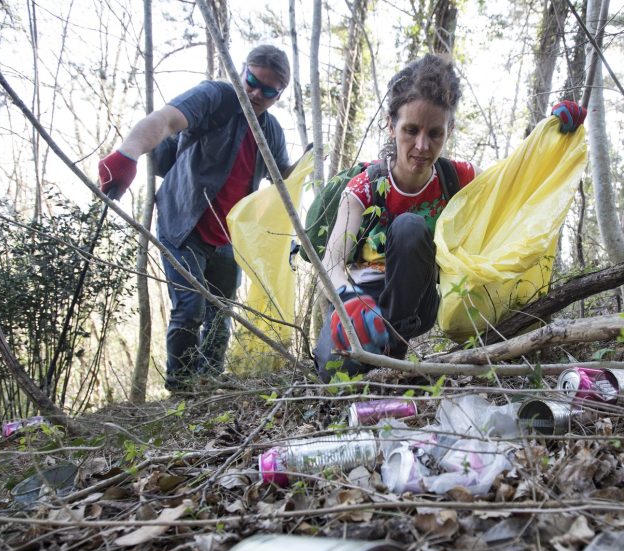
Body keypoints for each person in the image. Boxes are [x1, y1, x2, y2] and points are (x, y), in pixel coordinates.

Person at [314, 54, 584, 381]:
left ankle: (393, 352)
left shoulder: (455, 179)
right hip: (359, 302)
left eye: (435, 133)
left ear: (449, 130)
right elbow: (330, 264)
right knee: (332, 376)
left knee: (411, 228)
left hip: (417, 302)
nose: (422, 146)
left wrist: (551, 133)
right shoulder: (365, 187)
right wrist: (347, 301)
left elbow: (514, 182)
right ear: (391, 125)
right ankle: (370, 356)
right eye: (410, 130)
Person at [98, 45, 294, 392]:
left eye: (268, 91)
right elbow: (166, 119)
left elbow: (284, 181)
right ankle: (181, 388)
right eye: (251, 81)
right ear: (242, 72)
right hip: (184, 224)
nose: (255, 93)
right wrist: (127, 154)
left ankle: (208, 384)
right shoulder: (215, 98)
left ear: (279, 95)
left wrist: (313, 173)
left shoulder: (271, 131)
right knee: (191, 308)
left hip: (227, 237)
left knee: (221, 317)